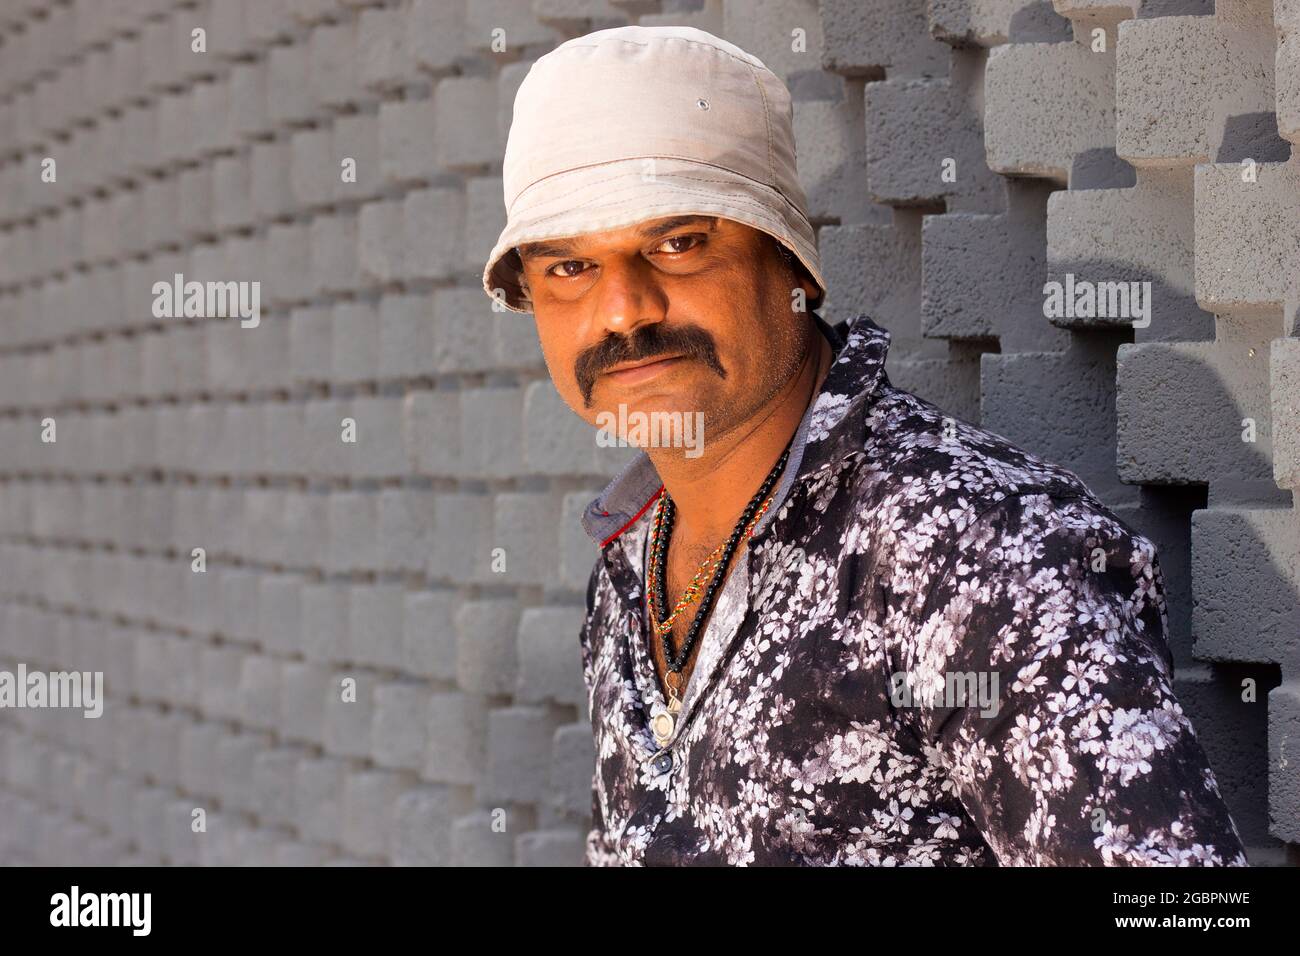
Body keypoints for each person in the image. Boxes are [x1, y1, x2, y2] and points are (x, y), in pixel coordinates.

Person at [480, 24, 1248, 866]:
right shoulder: (630, 569)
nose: (624, 309)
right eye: (568, 267)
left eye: (677, 244)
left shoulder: (969, 548)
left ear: (794, 265)